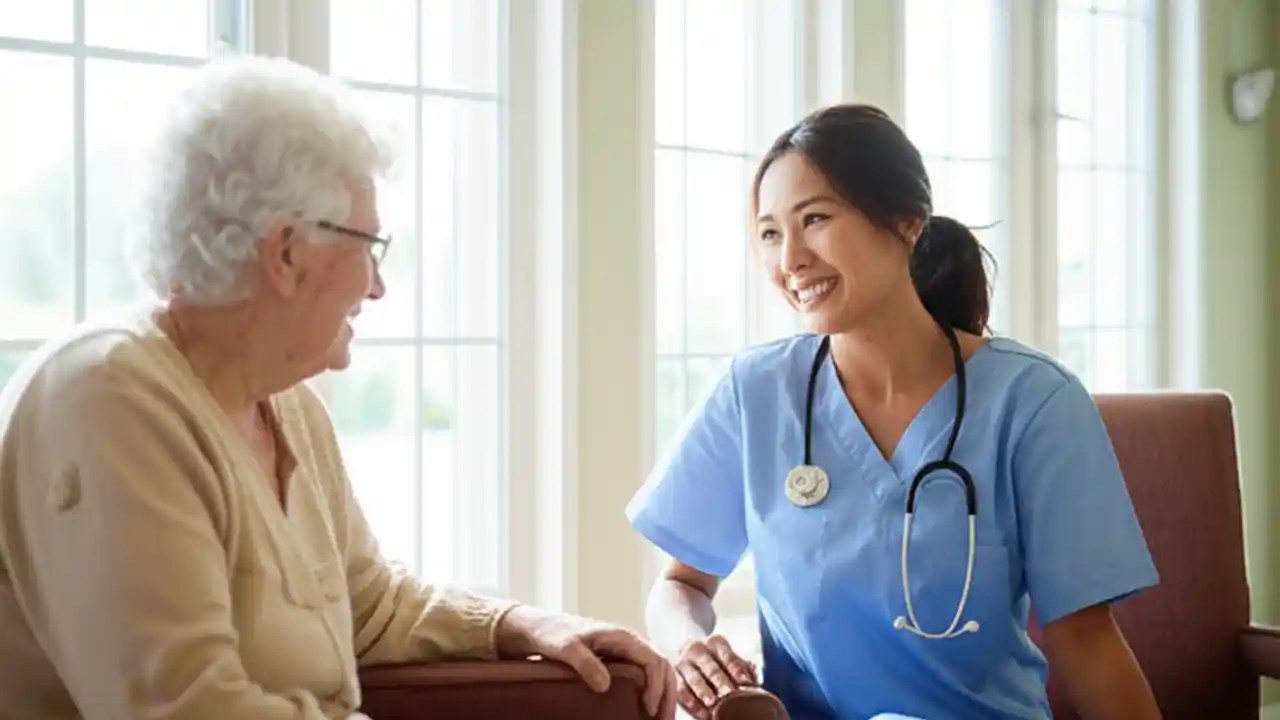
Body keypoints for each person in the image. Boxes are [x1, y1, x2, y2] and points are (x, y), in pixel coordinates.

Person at [0, 55, 675, 720]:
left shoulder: (287, 404)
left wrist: (521, 624)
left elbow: (369, 606)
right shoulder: (107, 401)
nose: (377, 285)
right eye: (370, 247)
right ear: (287, 253)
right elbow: (187, 708)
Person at [626, 104, 1161, 719]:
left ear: (908, 221)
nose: (790, 259)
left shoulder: (1034, 403)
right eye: (770, 233)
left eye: (816, 219)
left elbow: (1087, 643)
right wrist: (690, 646)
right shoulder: (756, 392)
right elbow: (679, 586)